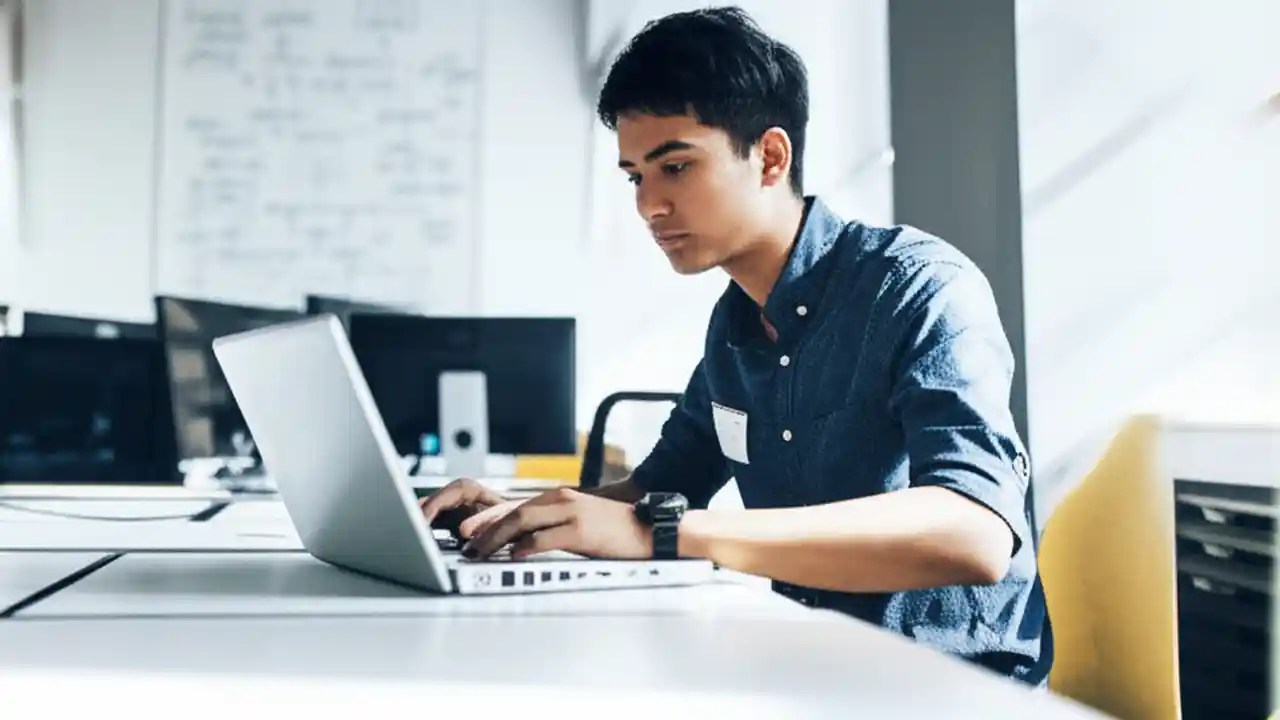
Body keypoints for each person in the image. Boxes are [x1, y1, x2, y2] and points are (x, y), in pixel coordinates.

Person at [421, 6, 1051, 685]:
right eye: (636, 175)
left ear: (770, 157)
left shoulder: (918, 288)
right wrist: (522, 513)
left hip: (945, 689)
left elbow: (975, 531)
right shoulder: (735, 325)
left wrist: (666, 534)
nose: (648, 206)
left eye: (676, 167)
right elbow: (655, 493)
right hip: (803, 669)